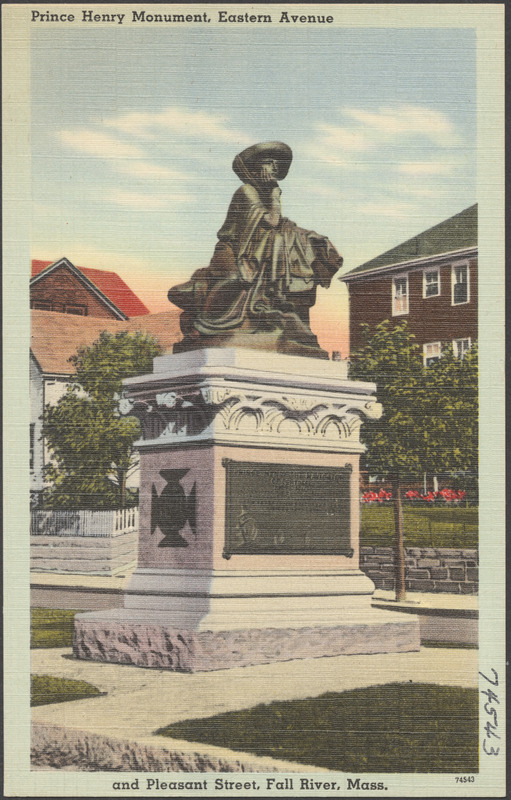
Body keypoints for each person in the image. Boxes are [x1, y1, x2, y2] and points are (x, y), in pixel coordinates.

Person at [168, 141, 342, 353]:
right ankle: (204, 322)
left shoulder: (266, 193)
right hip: (231, 251)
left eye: (276, 164)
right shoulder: (246, 191)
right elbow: (271, 221)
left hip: (256, 252)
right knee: (238, 281)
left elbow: (275, 228)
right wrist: (276, 196)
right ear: (257, 166)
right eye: (269, 163)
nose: (274, 168)